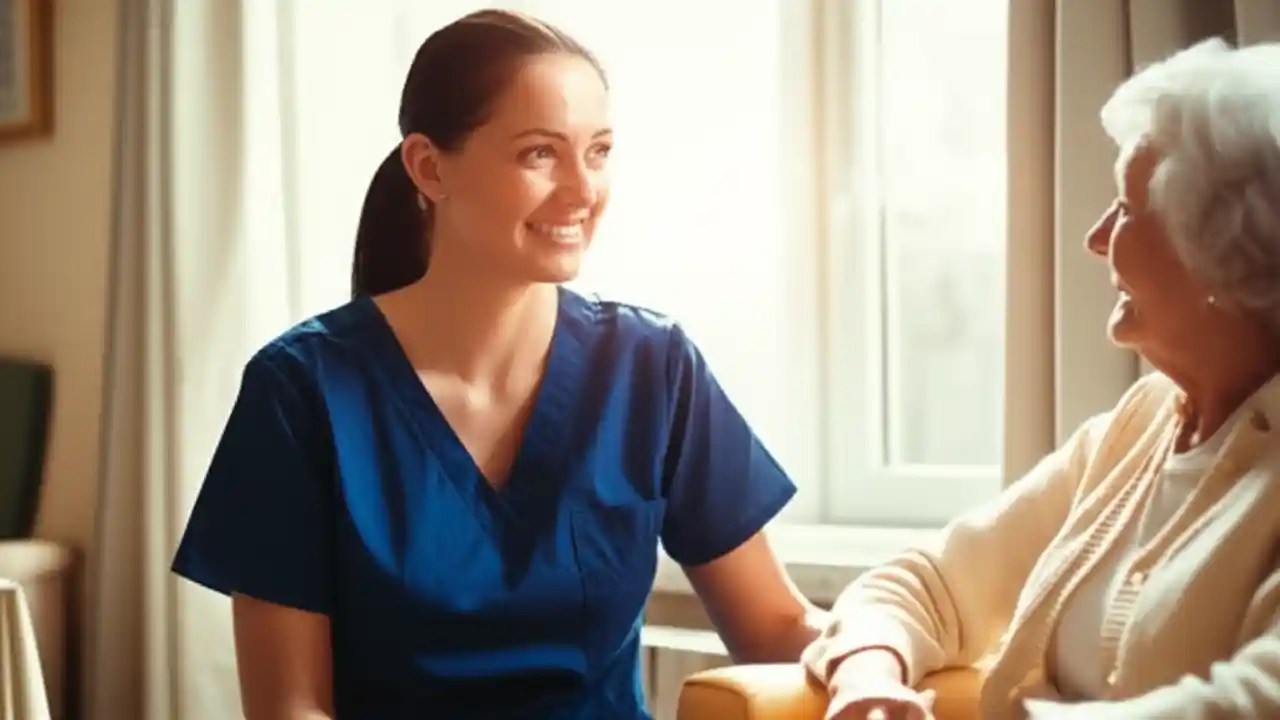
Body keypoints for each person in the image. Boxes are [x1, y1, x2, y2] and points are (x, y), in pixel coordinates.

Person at [171, 9, 822, 719]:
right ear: (428, 166)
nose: (583, 190)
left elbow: (778, 627)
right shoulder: (302, 390)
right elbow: (290, 709)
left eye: (598, 151)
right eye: (540, 154)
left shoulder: (652, 369)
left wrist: (885, 647)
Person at [803, 38, 1280, 720]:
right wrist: (868, 677)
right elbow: (927, 585)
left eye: (1124, 209)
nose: (1094, 238)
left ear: (1213, 247)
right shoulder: (1138, 429)